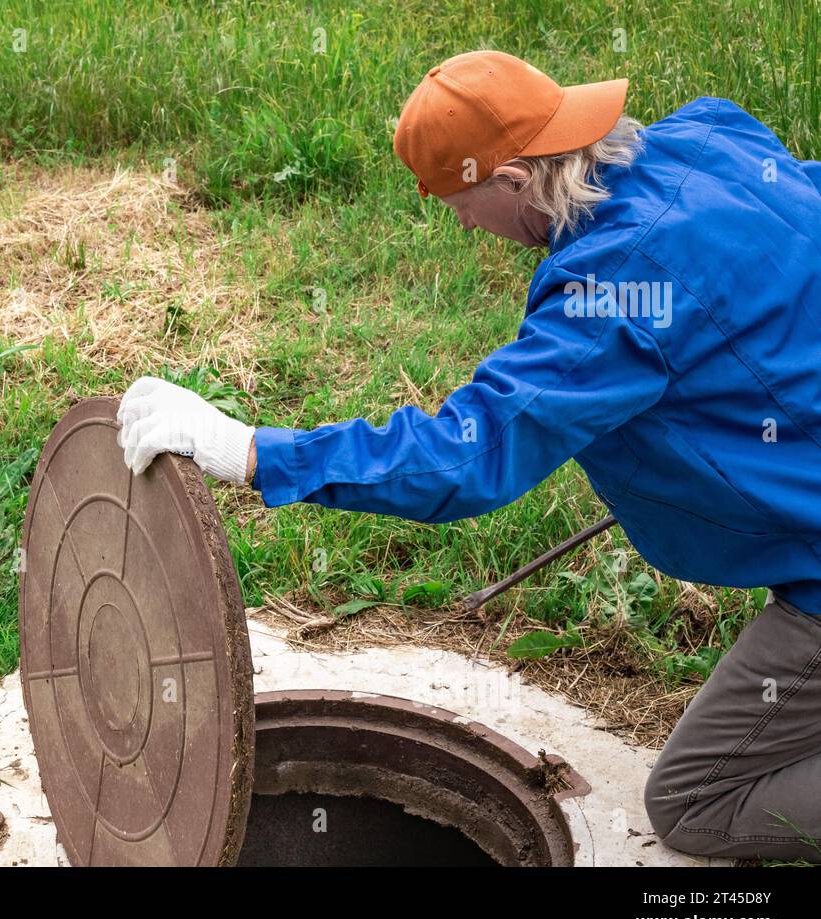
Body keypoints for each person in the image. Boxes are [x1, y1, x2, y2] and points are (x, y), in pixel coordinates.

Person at [116, 50, 821, 863]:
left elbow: (463, 455)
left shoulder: (611, 296)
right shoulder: (710, 137)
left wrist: (245, 450)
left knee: (695, 804)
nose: (456, 223)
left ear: (516, 179)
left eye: (456, 202)